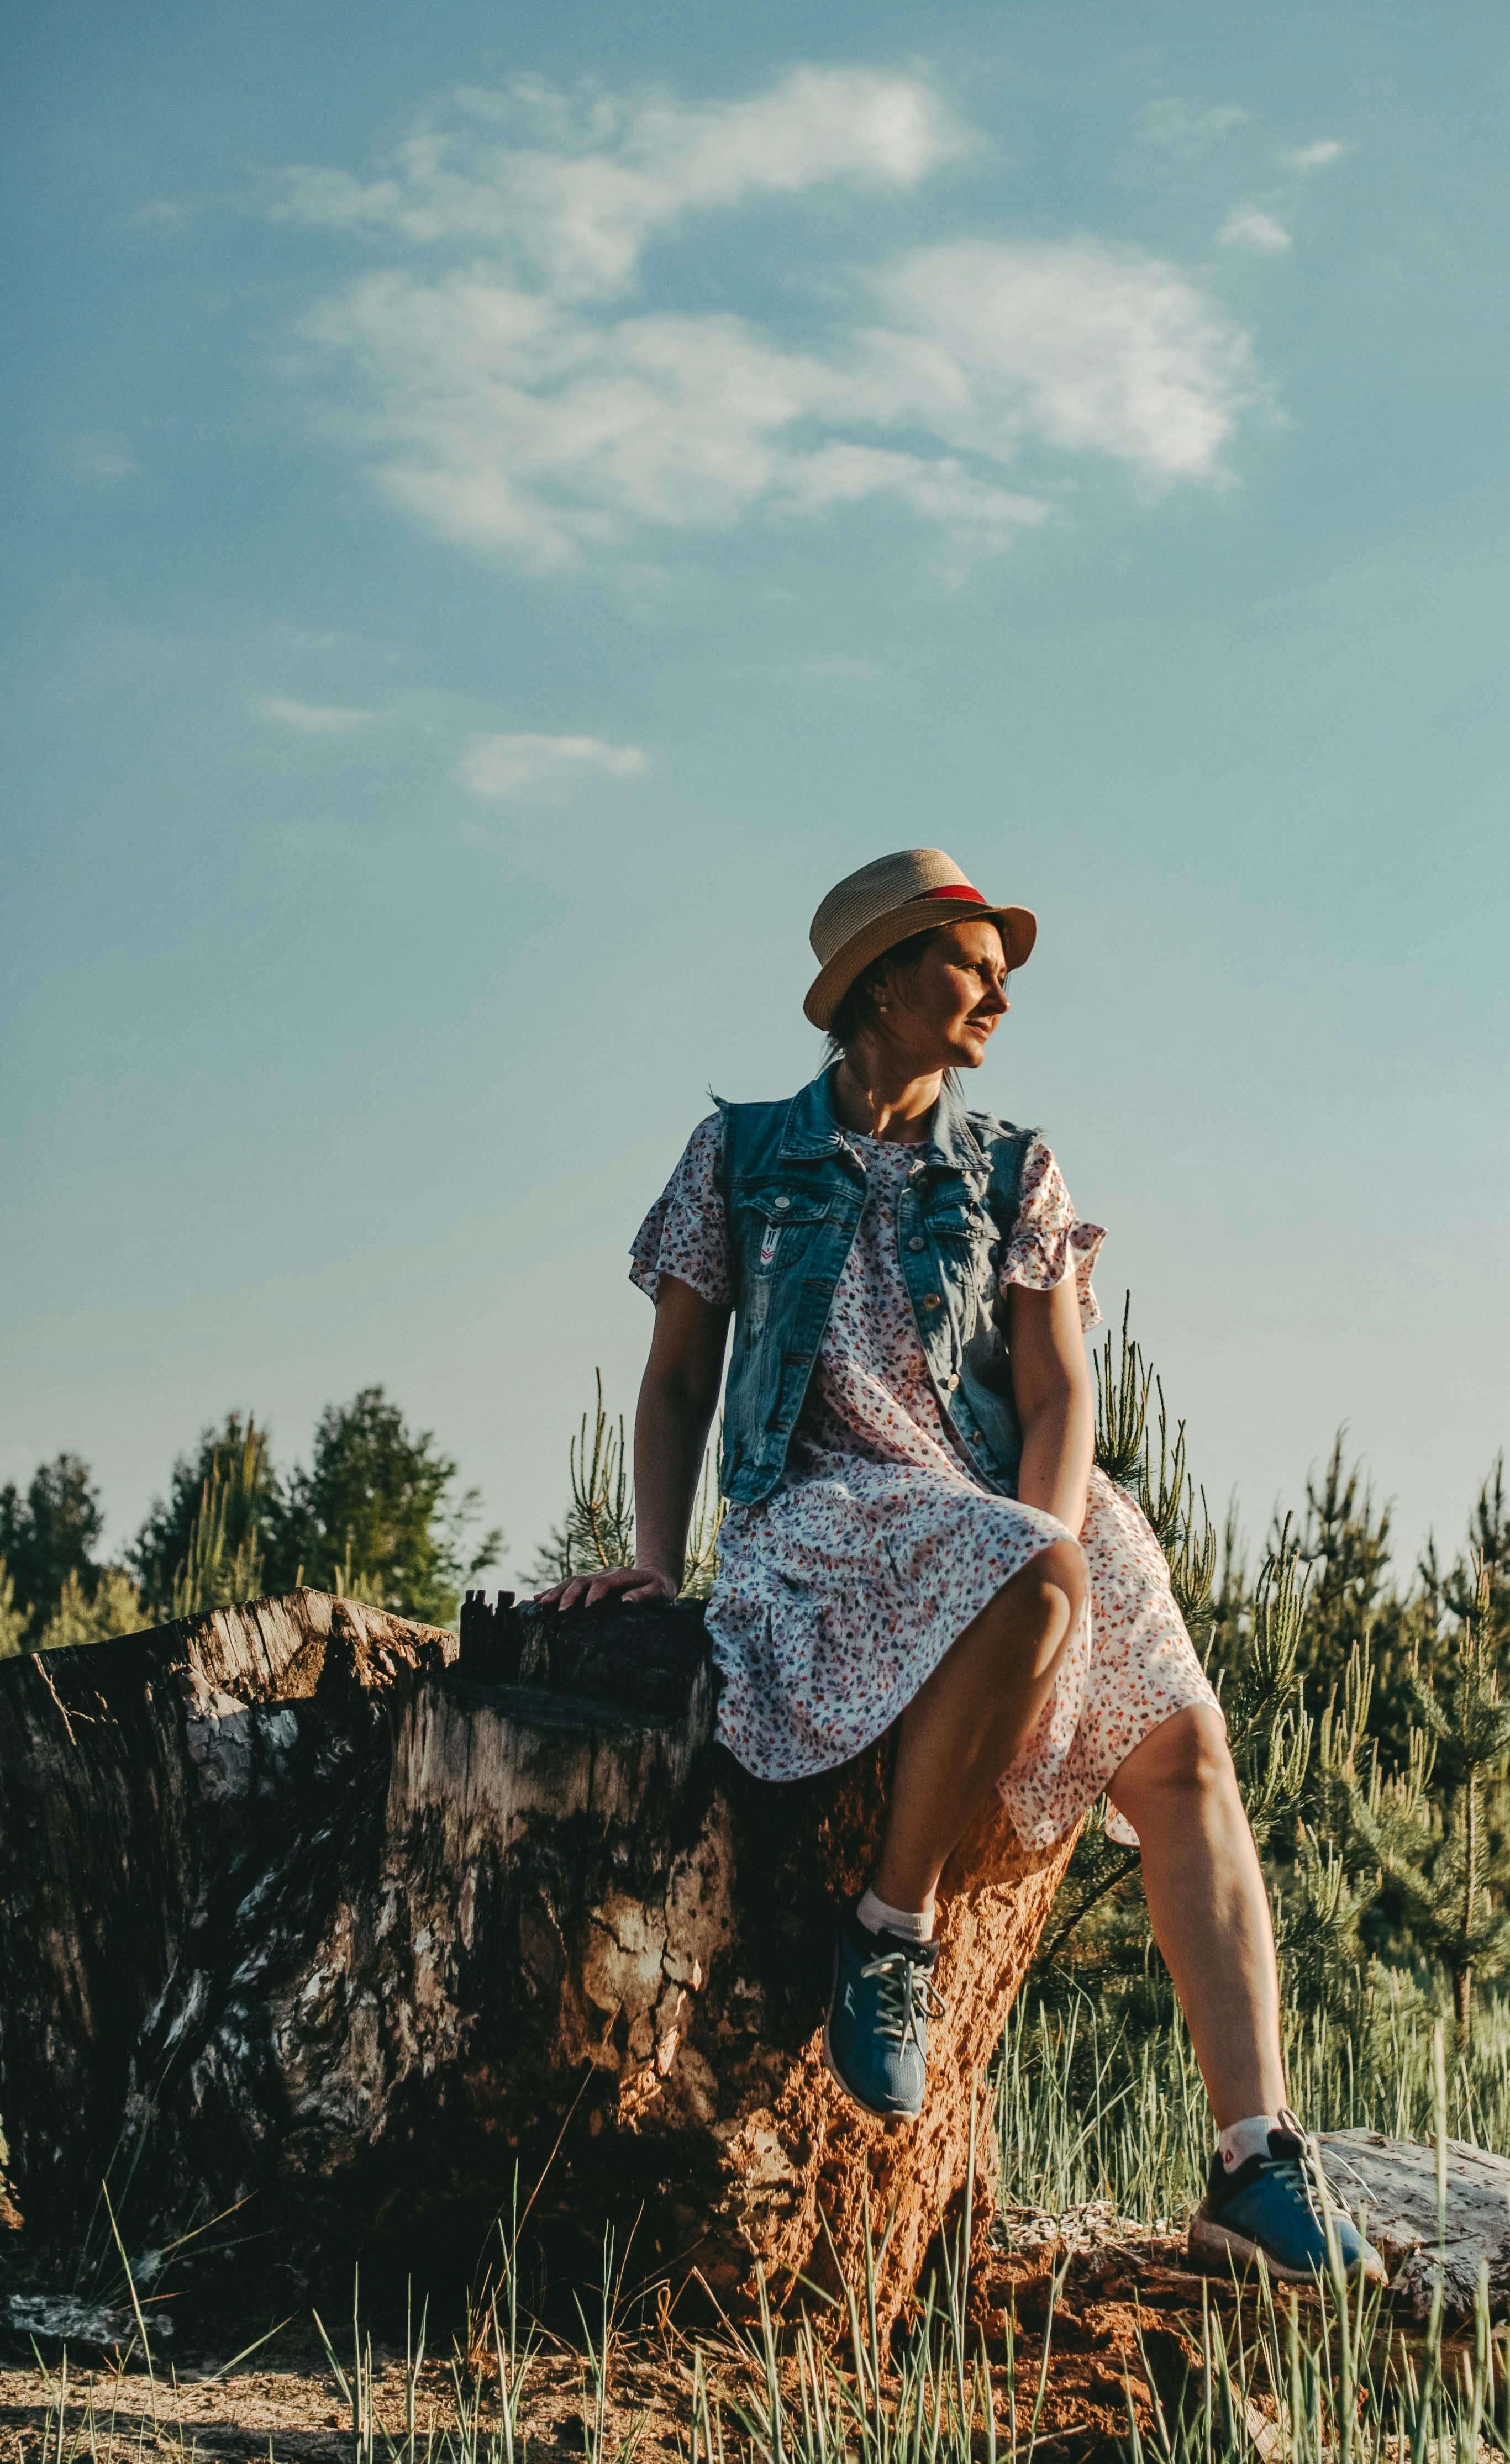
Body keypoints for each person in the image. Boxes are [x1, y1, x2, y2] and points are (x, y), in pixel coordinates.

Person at [540, 847, 1378, 2284]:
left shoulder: (1014, 1168)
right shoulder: (736, 1157)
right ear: (878, 978)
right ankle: (893, 1925)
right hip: (828, 1506)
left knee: (1185, 1754)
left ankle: (1256, 2162)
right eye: (970, 963)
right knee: (1033, 1579)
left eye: (1004, 972)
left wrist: (1044, 1539)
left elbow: (1059, 1395)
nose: (999, 992)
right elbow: (678, 1382)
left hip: (1004, 1500)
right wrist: (654, 1564)